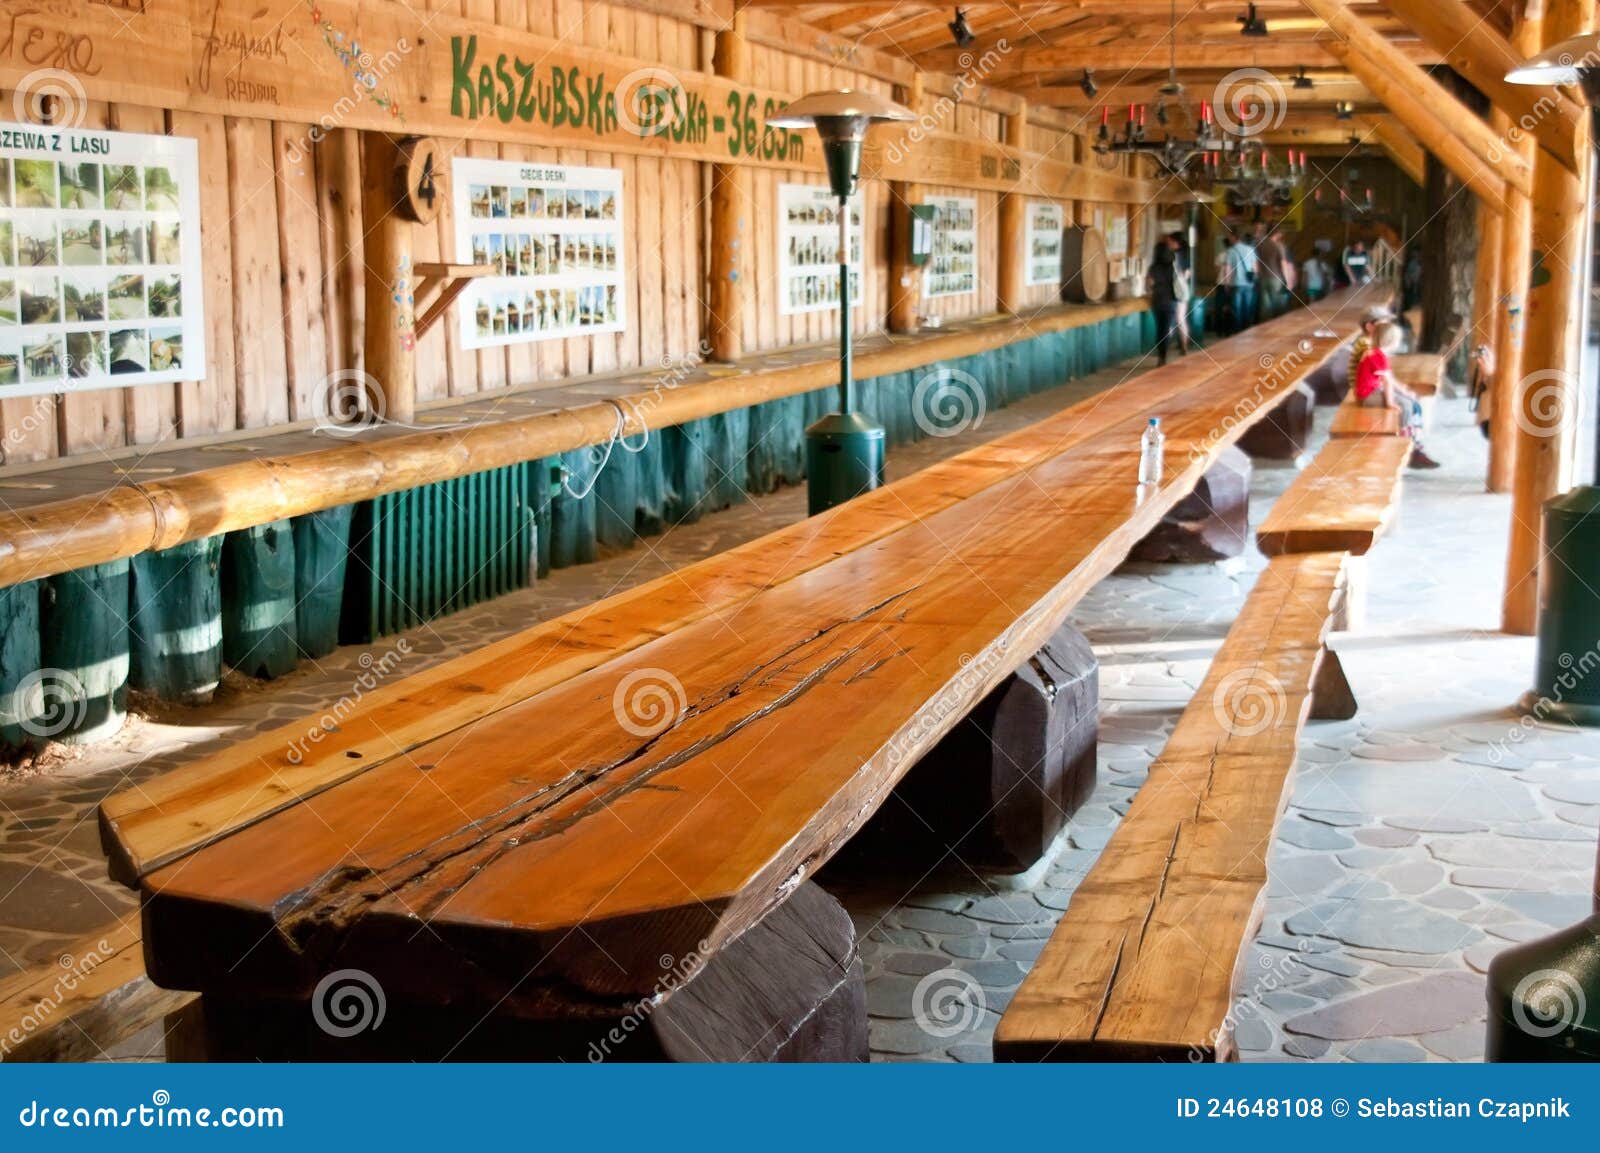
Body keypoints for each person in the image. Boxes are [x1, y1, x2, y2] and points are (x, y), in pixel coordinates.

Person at [1357, 321, 1440, 470]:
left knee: (1412, 402)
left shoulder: (1378, 353)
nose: (1398, 343)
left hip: (1375, 391)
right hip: (1368, 395)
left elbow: (1390, 379)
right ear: (1390, 341)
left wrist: (1405, 390)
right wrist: (1390, 402)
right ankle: (1404, 440)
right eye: (1397, 340)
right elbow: (1387, 382)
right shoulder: (1377, 355)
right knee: (1405, 405)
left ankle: (1415, 442)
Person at [1146, 241, 1182, 366]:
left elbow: (1149, 284)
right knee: (1167, 328)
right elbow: (1179, 281)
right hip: (1171, 301)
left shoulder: (1153, 268)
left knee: (1159, 329)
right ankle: (1165, 355)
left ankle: (1161, 357)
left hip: (1157, 301)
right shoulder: (1173, 266)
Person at [1254, 222, 1290, 320]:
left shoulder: (1260, 245)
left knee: (1265, 308)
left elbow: (1256, 262)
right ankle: (1278, 330)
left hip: (1263, 278)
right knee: (1280, 307)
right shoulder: (1279, 246)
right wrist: (1287, 281)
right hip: (1276, 279)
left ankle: (1264, 329)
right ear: (1277, 233)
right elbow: (1283, 264)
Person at [1227, 232, 1258, 332]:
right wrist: (1255, 279)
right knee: (1248, 308)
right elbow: (1255, 267)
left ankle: (1238, 331)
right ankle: (1247, 330)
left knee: (1237, 309)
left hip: (1236, 283)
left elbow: (1229, 269)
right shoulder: (1250, 249)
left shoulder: (1231, 251)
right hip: (1249, 283)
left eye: (1230, 238)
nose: (1229, 240)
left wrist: (1227, 283)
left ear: (1234, 238)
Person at [1168, 231, 1193, 353]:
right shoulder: (1186, 255)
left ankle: (1166, 348)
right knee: (1181, 319)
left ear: (1174, 242)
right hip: (1183, 290)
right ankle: (1184, 346)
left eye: (1169, 241)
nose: (1168, 244)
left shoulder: (1173, 256)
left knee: (1172, 319)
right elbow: (1187, 274)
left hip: (1174, 291)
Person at [1214, 235, 1238, 335]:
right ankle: (1229, 330)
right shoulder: (1235, 255)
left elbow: (1216, 269)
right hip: (1233, 284)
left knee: (1219, 307)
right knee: (1231, 307)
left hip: (1221, 283)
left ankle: (1219, 330)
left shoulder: (1221, 255)